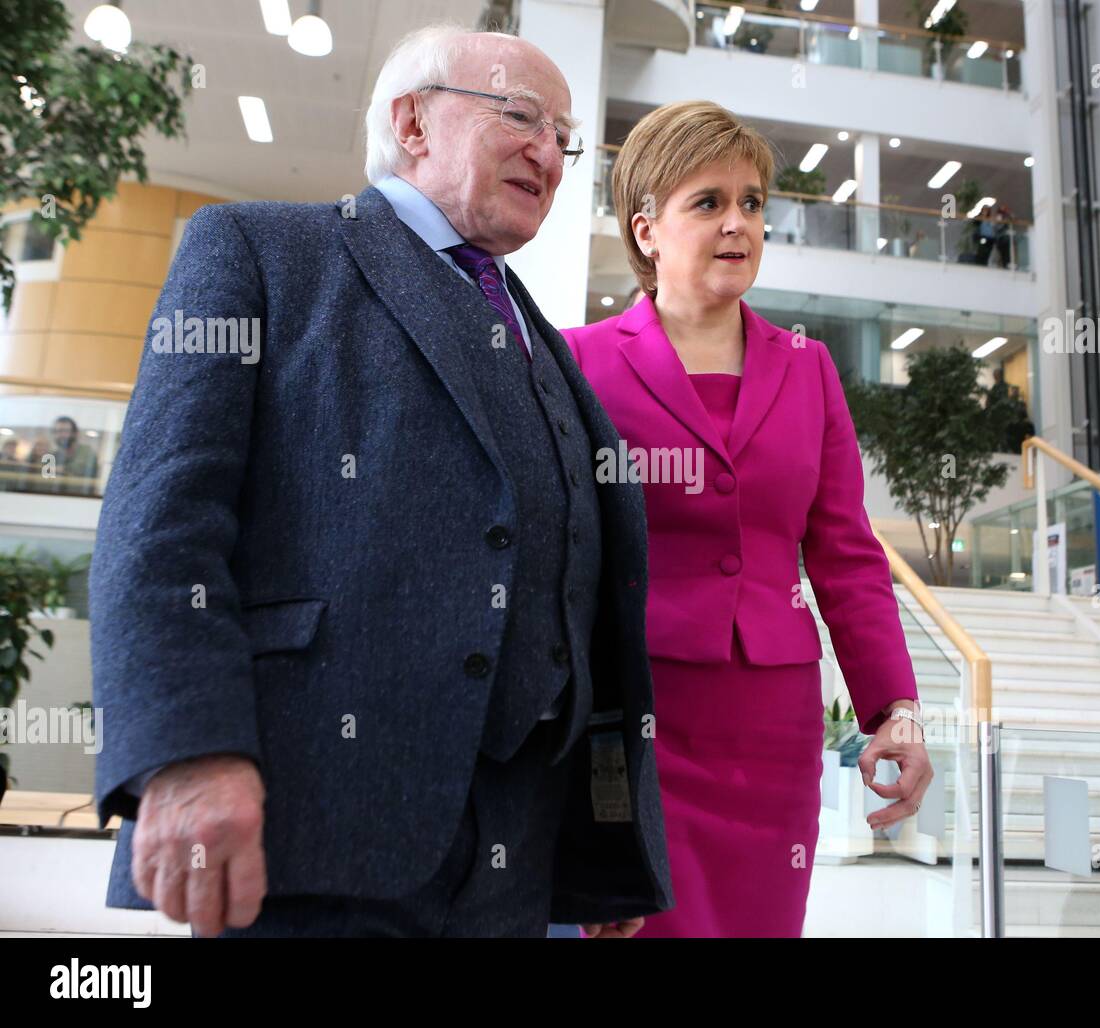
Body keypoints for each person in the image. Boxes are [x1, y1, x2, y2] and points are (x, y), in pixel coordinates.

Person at [89, 24, 670, 939]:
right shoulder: (259, 252)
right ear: (411, 122)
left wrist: (599, 844)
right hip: (314, 827)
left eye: (566, 136)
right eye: (521, 115)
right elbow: (161, 524)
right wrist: (187, 752)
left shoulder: (545, 342)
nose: (550, 153)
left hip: (515, 861)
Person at [561, 100, 931, 937]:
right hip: (634, 719)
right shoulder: (577, 362)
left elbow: (846, 557)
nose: (739, 224)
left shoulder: (809, 368)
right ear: (646, 228)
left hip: (771, 726)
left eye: (753, 203)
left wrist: (894, 711)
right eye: (710, 203)